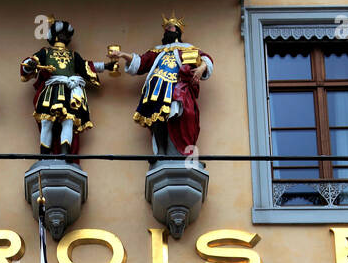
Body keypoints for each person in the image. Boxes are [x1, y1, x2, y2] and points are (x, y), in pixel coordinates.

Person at [119, 15, 213, 158]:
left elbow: (205, 58)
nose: (167, 30)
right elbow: (141, 62)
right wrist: (122, 54)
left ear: (178, 31)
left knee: (183, 116)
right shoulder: (157, 50)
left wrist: (201, 69)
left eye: (171, 27)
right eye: (166, 28)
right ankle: (161, 151)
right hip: (156, 87)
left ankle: (180, 151)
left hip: (176, 87)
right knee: (157, 118)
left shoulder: (187, 48)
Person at [20, 18, 112, 158]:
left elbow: (86, 66)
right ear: (54, 34)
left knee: (68, 121)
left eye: (66, 33)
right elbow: (31, 62)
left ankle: (65, 154)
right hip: (51, 90)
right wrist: (29, 64)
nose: (64, 35)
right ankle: (44, 155)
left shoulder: (73, 55)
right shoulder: (46, 52)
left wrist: (105, 66)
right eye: (61, 32)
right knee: (46, 121)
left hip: (69, 91)